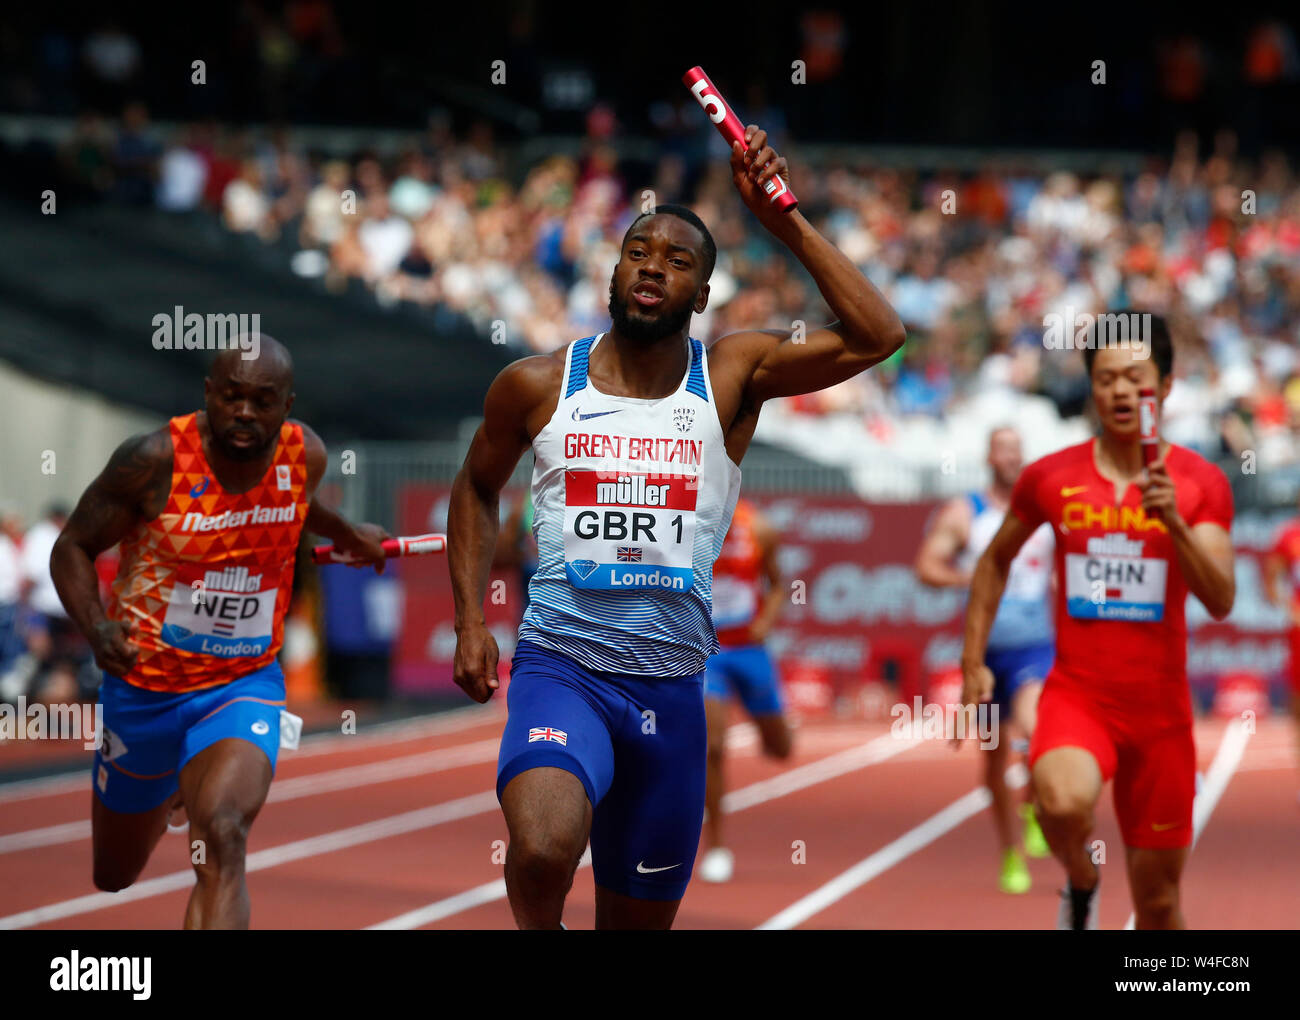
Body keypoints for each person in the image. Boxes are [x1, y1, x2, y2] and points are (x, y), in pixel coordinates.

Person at [448, 126, 906, 930]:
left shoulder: (731, 375)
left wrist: (783, 221)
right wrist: (469, 620)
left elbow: (880, 336)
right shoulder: (534, 384)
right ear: (614, 272)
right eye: (637, 249)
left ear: (700, 296)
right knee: (544, 846)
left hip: (671, 690)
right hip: (564, 668)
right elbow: (476, 489)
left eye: (679, 260)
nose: (653, 264)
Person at [50, 336, 389, 929]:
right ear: (208, 394)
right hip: (145, 689)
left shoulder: (303, 454)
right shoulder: (155, 460)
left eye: (263, 401)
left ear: (288, 405)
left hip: (240, 683)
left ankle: (197, 782)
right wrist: (96, 627)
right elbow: (72, 547)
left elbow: (297, 502)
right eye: (231, 398)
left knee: (225, 836)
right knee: (113, 874)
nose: (245, 413)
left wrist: (347, 531)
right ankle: (170, 785)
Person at [960, 315, 1235, 930]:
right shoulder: (1052, 477)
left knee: (1159, 907)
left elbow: (1220, 599)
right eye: (1105, 378)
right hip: (1079, 696)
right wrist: (972, 662)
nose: (1119, 391)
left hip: (1161, 716)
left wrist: (1177, 526)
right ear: (1091, 387)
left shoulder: (1199, 482)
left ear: (1165, 387)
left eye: (1135, 378)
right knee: (1057, 799)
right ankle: (1082, 881)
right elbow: (992, 562)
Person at [915, 427, 1053, 894]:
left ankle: (1035, 803)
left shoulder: (1041, 512)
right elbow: (927, 566)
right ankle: (1010, 851)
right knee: (993, 761)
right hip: (987, 652)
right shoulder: (965, 512)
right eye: (1003, 449)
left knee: (1037, 732)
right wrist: (972, 581)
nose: (1011, 457)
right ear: (989, 457)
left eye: (1018, 449)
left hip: (1037, 645)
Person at [697, 498, 792, 883]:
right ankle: (716, 847)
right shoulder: (684, 523)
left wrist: (767, 619)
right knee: (712, 747)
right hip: (706, 651)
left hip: (749, 650)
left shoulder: (759, 528)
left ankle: (760, 719)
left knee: (780, 748)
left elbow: (778, 586)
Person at [1262, 499, 1300, 799]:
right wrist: (1289, 609)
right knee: (1297, 698)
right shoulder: (1289, 536)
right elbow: (1271, 579)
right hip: (1298, 632)